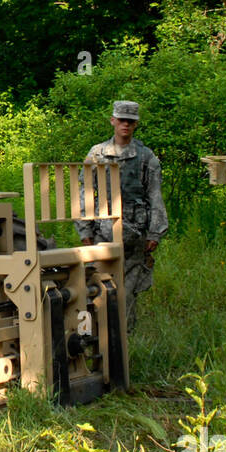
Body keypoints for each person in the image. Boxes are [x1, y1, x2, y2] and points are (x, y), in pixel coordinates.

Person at [76, 100, 169, 334]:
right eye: (121, 120)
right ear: (113, 121)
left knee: (127, 294)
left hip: (134, 238)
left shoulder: (146, 157)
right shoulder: (97, 154)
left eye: (130, 121)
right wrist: (85, 231)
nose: (125, 125)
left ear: (135, 124)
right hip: (102, 234)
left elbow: (154, 195)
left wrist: (156, 232)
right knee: (96, 289)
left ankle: (124, 346)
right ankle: (96, 340)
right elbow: (85, 193)